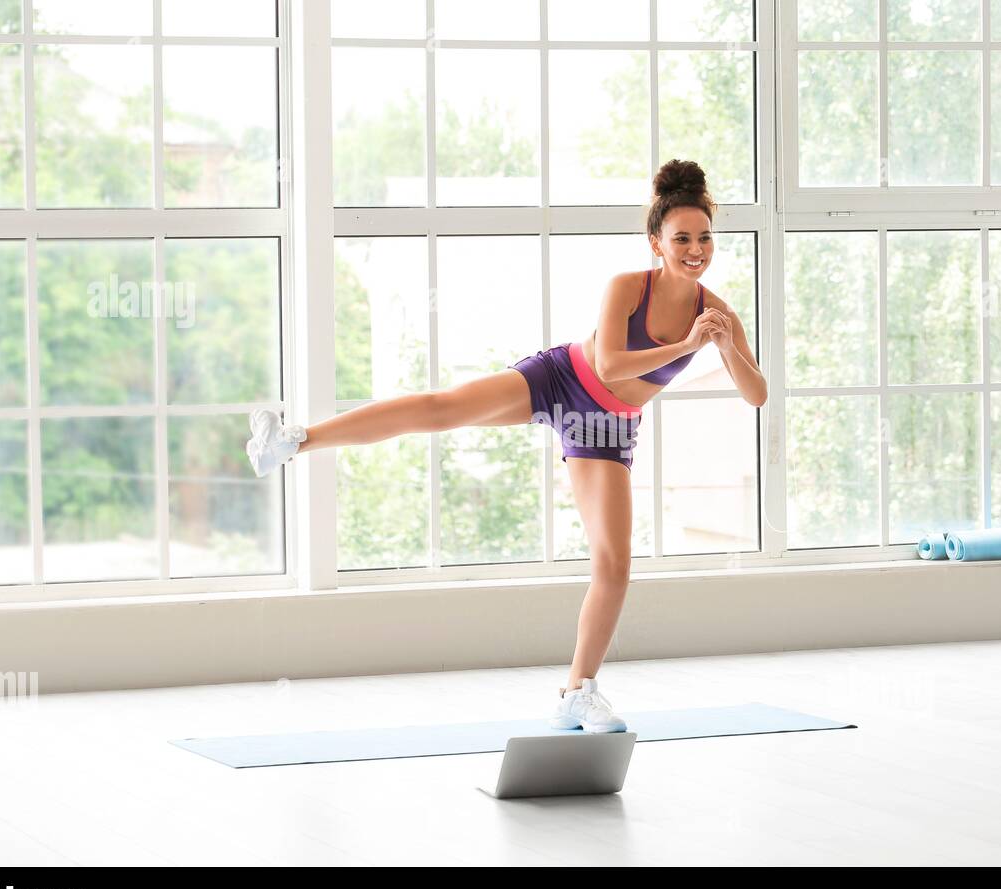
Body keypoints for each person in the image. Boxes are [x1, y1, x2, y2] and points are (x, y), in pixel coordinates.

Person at [246, 158, 766, 733]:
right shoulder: (625, 287)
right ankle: (293, 441)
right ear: (656, 243)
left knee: (615, 565)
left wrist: (725, 347)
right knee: (442, 409)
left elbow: (757, 393)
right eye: (682, 238)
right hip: (561, 378)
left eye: (705, 238)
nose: (696, 249)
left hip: (608, 427)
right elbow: (613, 364)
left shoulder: (717, 313)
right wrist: (687, 344)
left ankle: (578, 692)